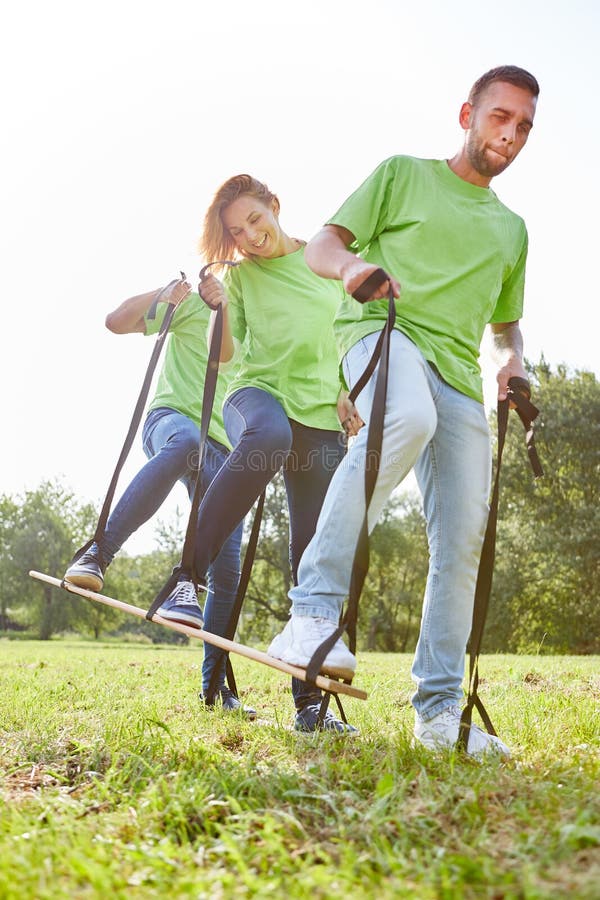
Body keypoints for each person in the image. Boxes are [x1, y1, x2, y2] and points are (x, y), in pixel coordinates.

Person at [267, 65, 540, 757]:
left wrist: (514, 361)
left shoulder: (512, 230)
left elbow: (505, 325)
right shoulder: (403, 175)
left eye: (523, 127)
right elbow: (325, 246)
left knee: (464, 538)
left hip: (458, 375)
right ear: (466, 114)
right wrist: (351, 271)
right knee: (405, 417)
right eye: (499, 117)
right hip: (382, 333)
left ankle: (440, 711)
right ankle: (313, 615)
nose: (509, 135)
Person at [161, 173, 363, 733]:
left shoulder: (327, 261)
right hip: (257, 398)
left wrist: (349, 390)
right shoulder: (241, 278)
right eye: (236, 231)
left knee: (311, 555)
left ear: (275, 206)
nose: (250, 236)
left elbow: (349, 334)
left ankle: (311, 708)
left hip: (321, 416)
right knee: (269, 438)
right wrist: (219, 306)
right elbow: (224, 357)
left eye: (255, 219)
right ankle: (186, 575)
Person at [63, 277, 254, 716]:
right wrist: (160, 295)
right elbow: (115, 322)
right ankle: (97, 553)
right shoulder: (198, 305)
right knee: (187, 442)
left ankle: (215, 690)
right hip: (172, 422)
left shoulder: (260, 331)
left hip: (224, 450)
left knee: (228, 569)